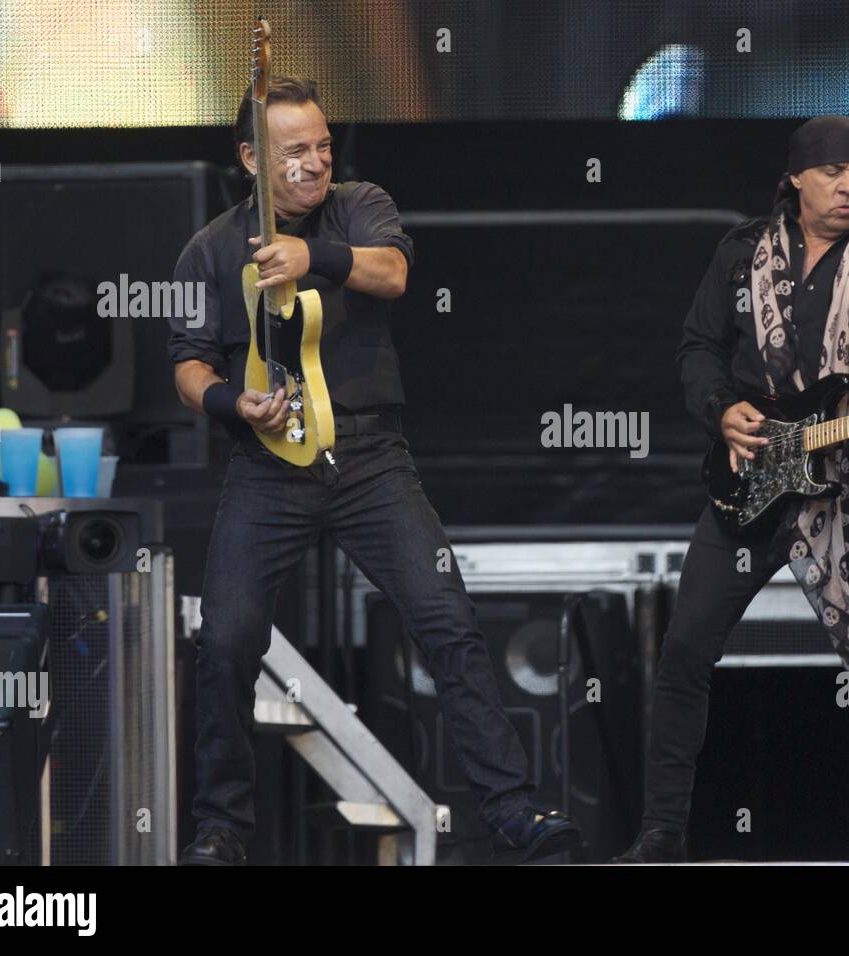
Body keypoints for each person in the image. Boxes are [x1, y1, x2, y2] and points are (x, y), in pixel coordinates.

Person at [168, 76, 579, 865]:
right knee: (225, 640)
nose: (314, 163)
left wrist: (311, 254)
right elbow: (186, 363)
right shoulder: (207, 250)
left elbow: (391, 273)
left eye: (322, 146)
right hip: (264, 469)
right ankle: (222, 828)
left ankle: (513, 810)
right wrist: (230, 402)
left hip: (369, 460)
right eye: (294, 152)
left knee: (448, 621)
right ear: (252, 158)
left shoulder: (360, 205)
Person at [615, 116, 849, 863]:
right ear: (795, 178)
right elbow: (699, 347)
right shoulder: (739, 253)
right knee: (687, 647)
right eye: (833, 173)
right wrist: (720, 410)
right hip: (752, 478)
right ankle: (661, 833)